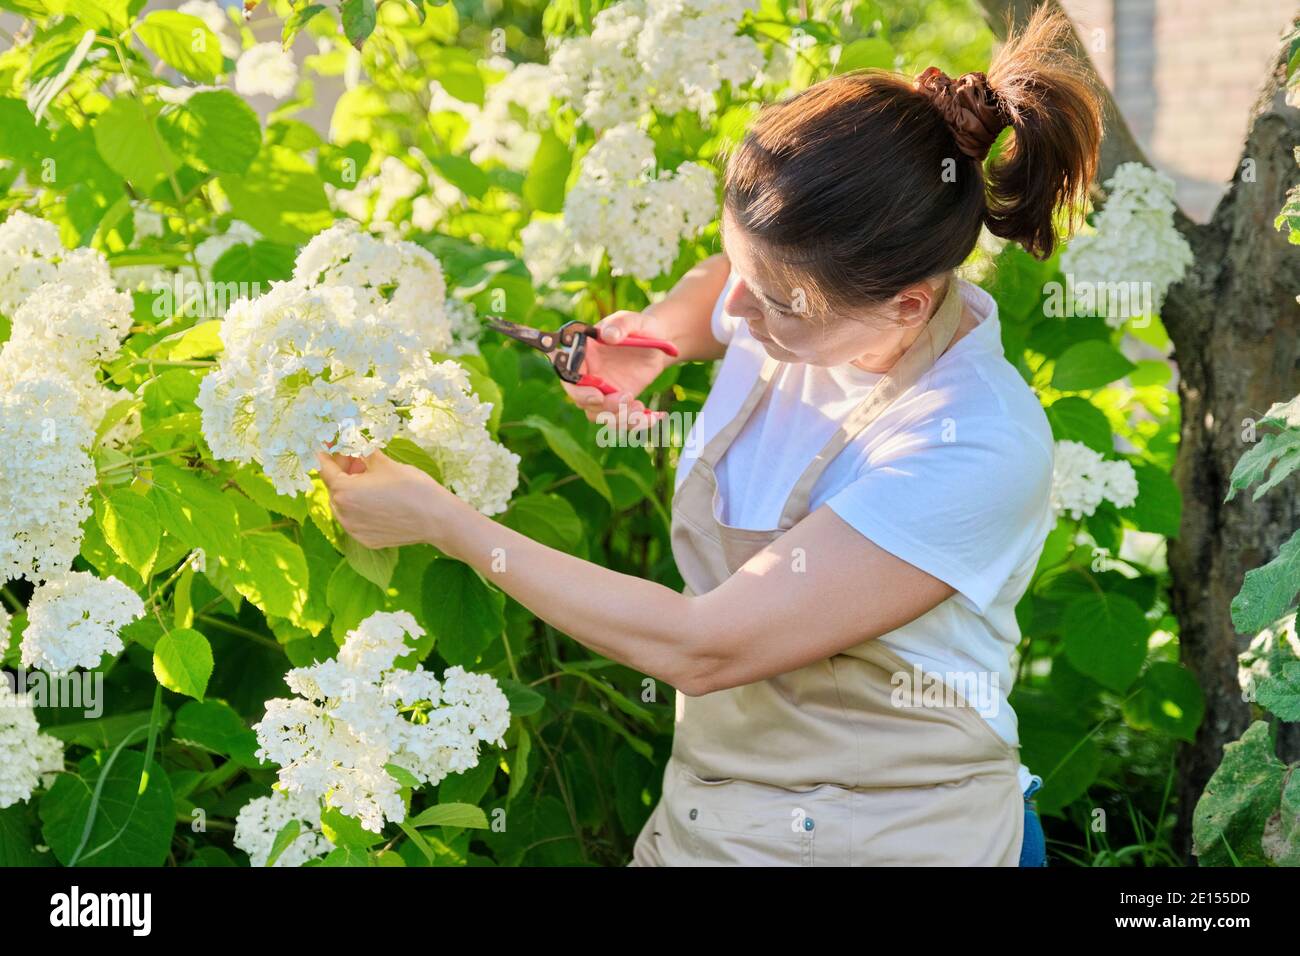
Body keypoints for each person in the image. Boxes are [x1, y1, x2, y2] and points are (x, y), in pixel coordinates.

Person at [315, 5, 1099, 866]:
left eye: (770, 302)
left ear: (906, 305)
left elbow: (703, 645)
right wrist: (650, 336)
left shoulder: (973, 442)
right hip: (718, 818)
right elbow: (742, 272)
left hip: (894, 835)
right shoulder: (814, 299)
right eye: (739, 267)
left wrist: (447, 524)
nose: (734, 311)